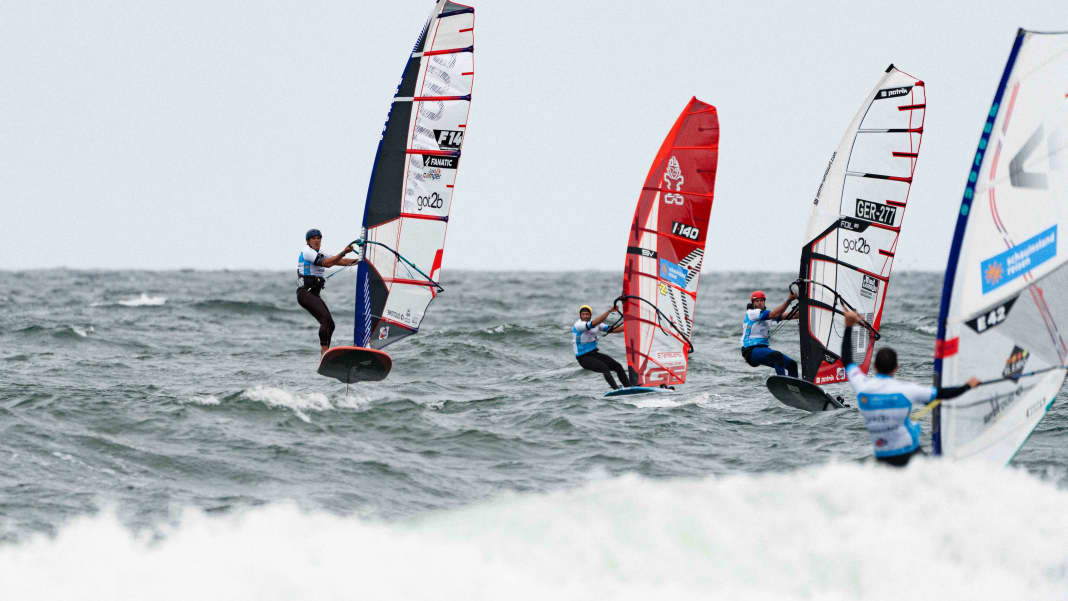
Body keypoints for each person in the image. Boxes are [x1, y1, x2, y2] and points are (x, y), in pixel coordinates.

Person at [841, 309, 979, 467]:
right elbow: (943, 394)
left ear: (875, 367)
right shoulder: (907, 390)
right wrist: (968, 386)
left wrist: (848, 325)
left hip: (883, 457)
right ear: (896, 367)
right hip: (910, 454)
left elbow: (847, 361)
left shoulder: (862, 387)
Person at [297, 228, 358, 354]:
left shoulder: (320, 252)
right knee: (325, 320)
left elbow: (340, 261)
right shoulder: (307, 252)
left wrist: (360, 261)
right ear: (308, 241)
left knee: (330, 324)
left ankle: (325, 355)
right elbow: (327, 264)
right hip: (305, 294)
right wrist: (343, 252)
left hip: (313, 294)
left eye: (319, 238)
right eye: (313, 238)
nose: (317, 240)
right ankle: (324, 351)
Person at [740, 289, 799, 377]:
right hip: (750, 351)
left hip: (763, 350)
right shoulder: (752, 313)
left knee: (792, 365)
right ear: (753, 303)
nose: (760, 303)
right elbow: (774, 314)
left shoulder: (767, 315)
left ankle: (794, 388)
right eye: (757, 301)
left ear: (764, 302)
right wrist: (789, 300)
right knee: (777, 356)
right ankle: (782, 384)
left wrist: (805, 308)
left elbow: (791, 315)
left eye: (762, 300)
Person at [573, 304, 630, 390]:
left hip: (594, 354)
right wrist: (609, 311)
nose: (585, 316)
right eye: (583, 314)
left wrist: (630, 326)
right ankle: (616, 389)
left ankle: (629, 387)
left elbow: (612, 330)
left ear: (590, 315)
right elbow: (595, 323)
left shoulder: (596, 324)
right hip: (583, 358)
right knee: (604, 368)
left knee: (618, 366)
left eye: (587, 314)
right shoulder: (579, 325)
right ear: (580, 315)